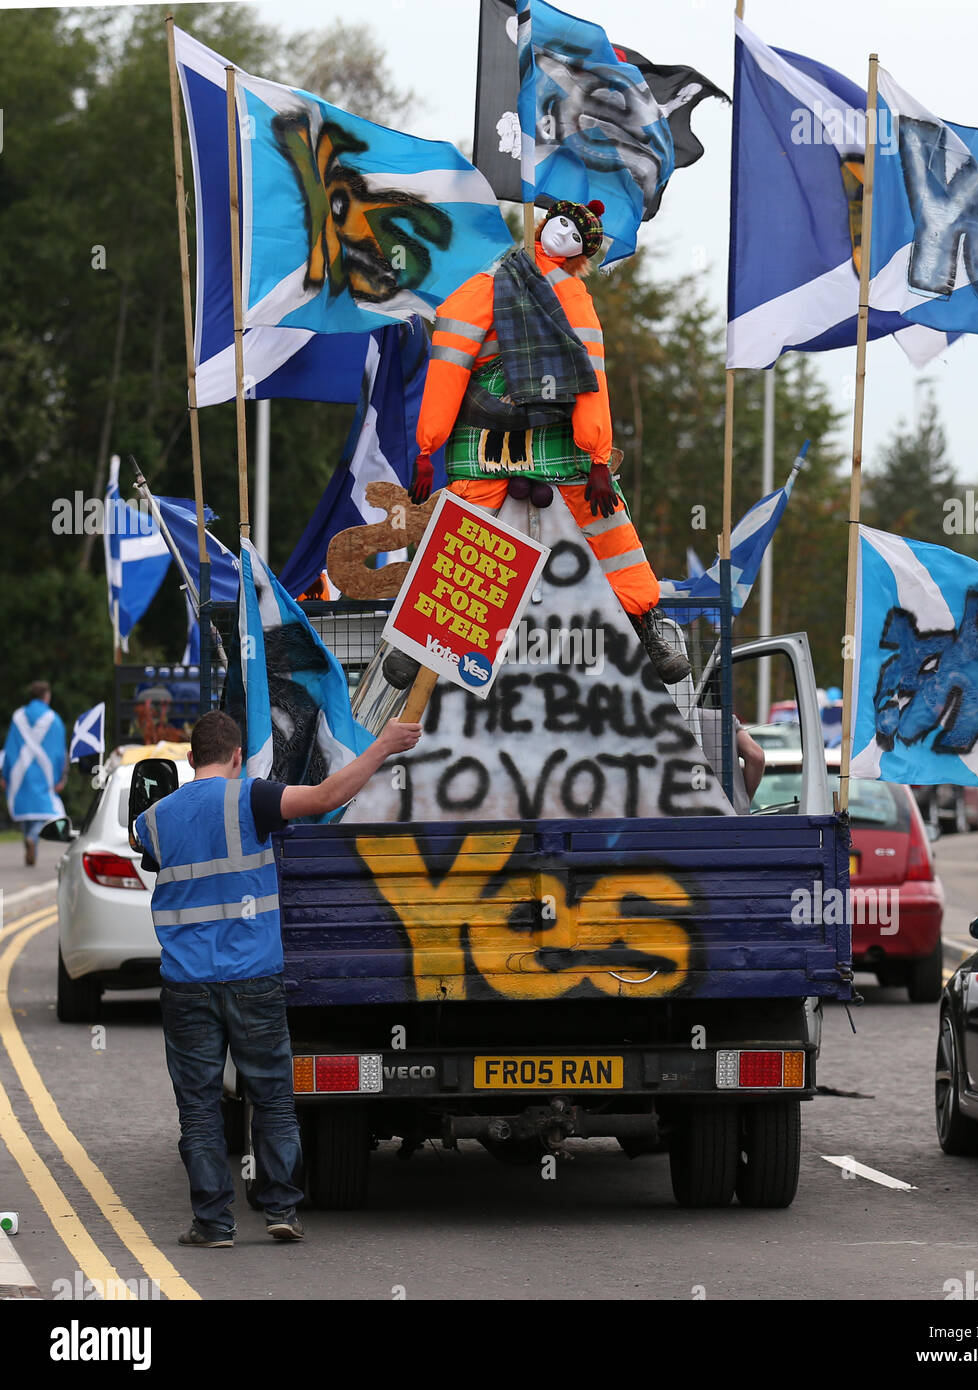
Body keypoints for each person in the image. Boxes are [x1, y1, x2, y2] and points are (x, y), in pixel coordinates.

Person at [133, 708, 422, 1248]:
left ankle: (213, 1223)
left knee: (198, 1108)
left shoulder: (154, 818)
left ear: (190, 758)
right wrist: (382, 746)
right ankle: (282, 1209)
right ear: (238, 756)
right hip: (253, 979)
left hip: (187, 985)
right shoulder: (254, 798)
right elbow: (326, 797)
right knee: (271, 1097)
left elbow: (145, 848)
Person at [411, 199, 690, 686]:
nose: (565, 235)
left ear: (583, 252)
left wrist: (598, 456)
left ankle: (645, 626)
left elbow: (590, 378)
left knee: (607, 522)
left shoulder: (571, 296)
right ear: (544, 223)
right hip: (488, 428)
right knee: (468, 529)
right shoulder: (488, 287)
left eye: (578, 235)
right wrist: (426, 444)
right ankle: (420, 649)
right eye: (562, 222)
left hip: (553, 431)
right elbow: (451, 358)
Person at [1, 680, 67, 866]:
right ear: (47, 696)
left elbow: (10, 749)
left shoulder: (17, 717)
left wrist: (5, 775)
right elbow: (60, 753)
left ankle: (29, 842)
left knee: (27, 811)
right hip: (45, 776)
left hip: (20, 775)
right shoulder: (54, 719)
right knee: (45, 812)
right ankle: (32, 838)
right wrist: (62, 777)